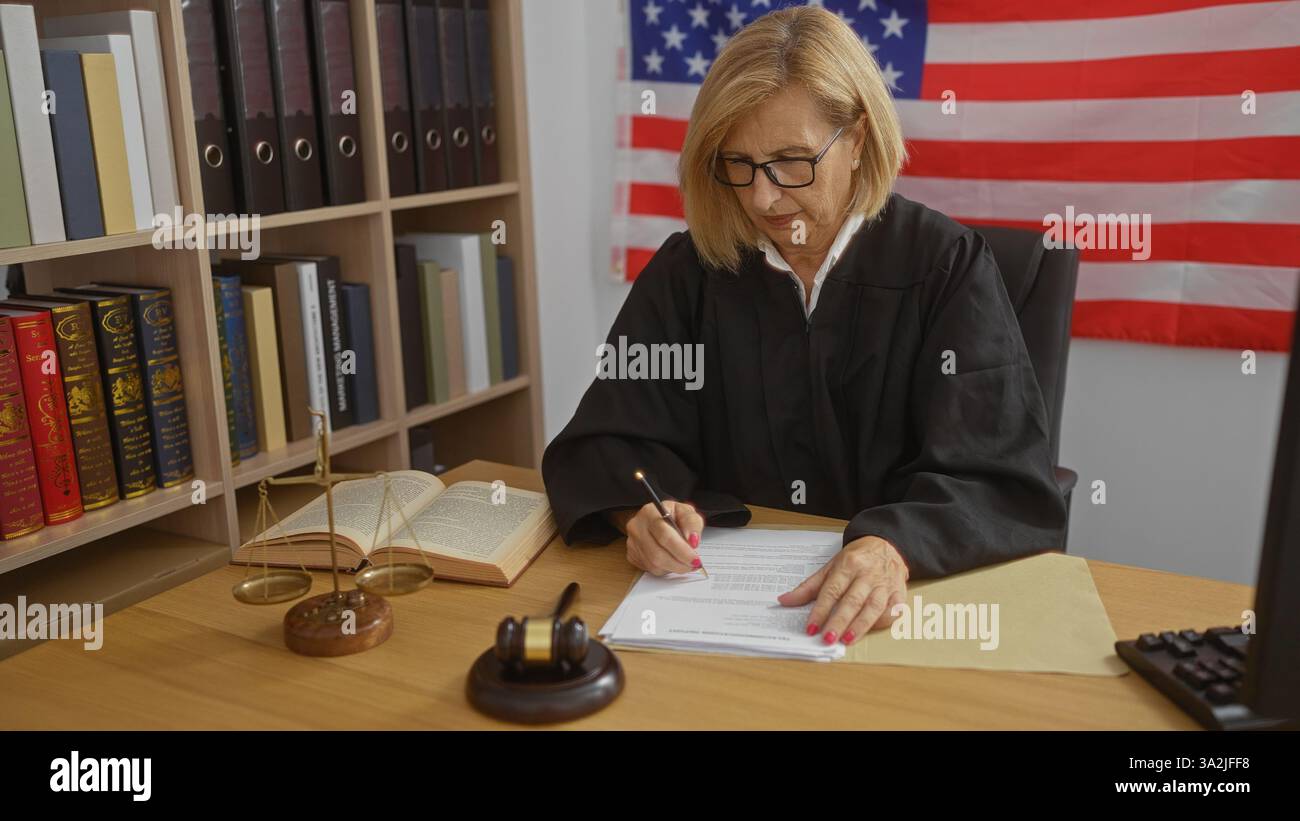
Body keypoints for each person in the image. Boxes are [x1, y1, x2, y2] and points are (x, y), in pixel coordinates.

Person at [542, 6, 1066, 647]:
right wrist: (642, 512)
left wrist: (895, 547)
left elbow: (1000, 480)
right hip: (717, 614)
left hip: (894, 619)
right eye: (738, 164)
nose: (762, 198)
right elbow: (611, 440)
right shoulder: (693, 269)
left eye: (792, 161)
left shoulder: (944, 267)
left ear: (858, 140)